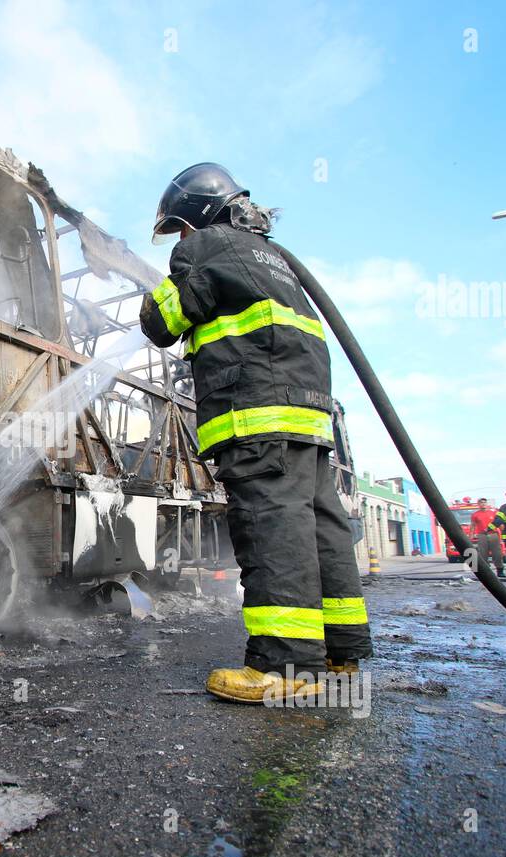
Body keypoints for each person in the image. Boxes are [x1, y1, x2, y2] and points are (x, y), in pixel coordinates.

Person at [140, 163, 369, 704]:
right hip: (307, 416)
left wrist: (156, 298)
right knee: (320, 525)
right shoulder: (278, 262)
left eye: (179, 227)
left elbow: (163, 323)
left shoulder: (206, 247)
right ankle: (340, 652)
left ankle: (286, 665)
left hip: (257, 413)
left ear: (195, 214)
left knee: (272, 523)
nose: (180, 239)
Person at [468, 497, 504, 577]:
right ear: (478, 504)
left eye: (484, 502)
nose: (483, 504)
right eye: (481, 502)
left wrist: (502, 535)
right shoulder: (475, 515)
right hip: (482, 536)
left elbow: (500, 524)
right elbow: (473, 526)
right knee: (483, 554)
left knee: (497, 553)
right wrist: (471, 536)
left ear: (487, 504)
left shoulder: (493, 513)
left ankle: (500, 570)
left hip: (493, 535)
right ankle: (486, 571)